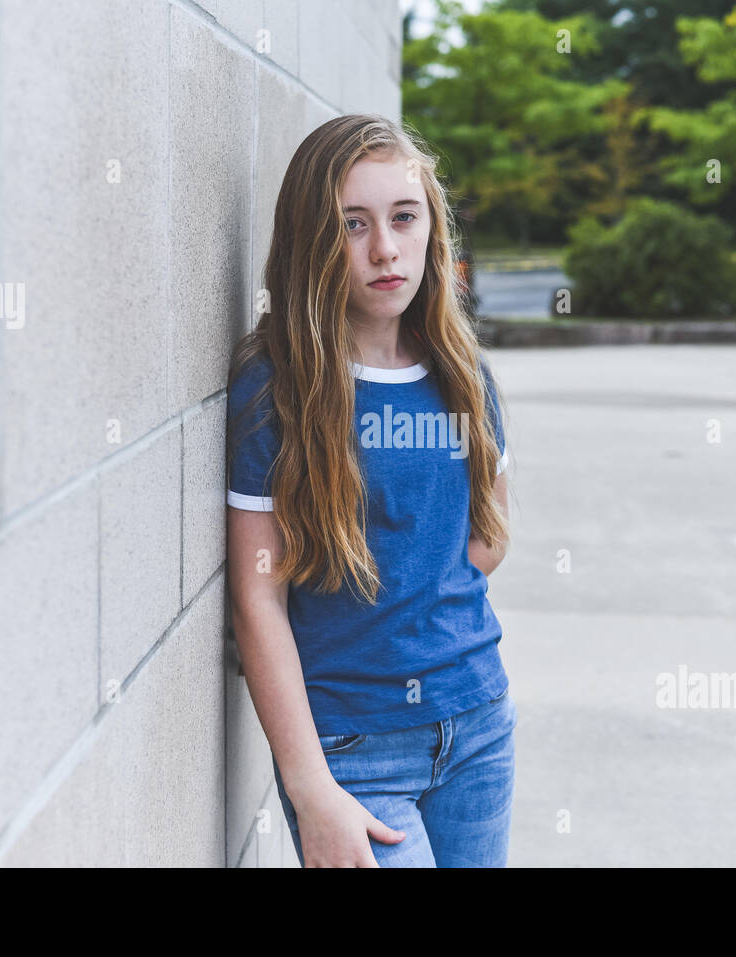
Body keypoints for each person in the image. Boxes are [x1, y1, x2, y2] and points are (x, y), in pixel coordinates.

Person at [225, 114, 515, 868]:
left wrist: (417, 608)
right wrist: (310, 786)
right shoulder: (276, 388)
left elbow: (489, 536)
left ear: (431, 228)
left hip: (478, 725)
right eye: (352, 224)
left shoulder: (463, 371)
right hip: (353, 753)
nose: (385, 248)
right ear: (314, 240)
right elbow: (259, 597)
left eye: (403, 217)